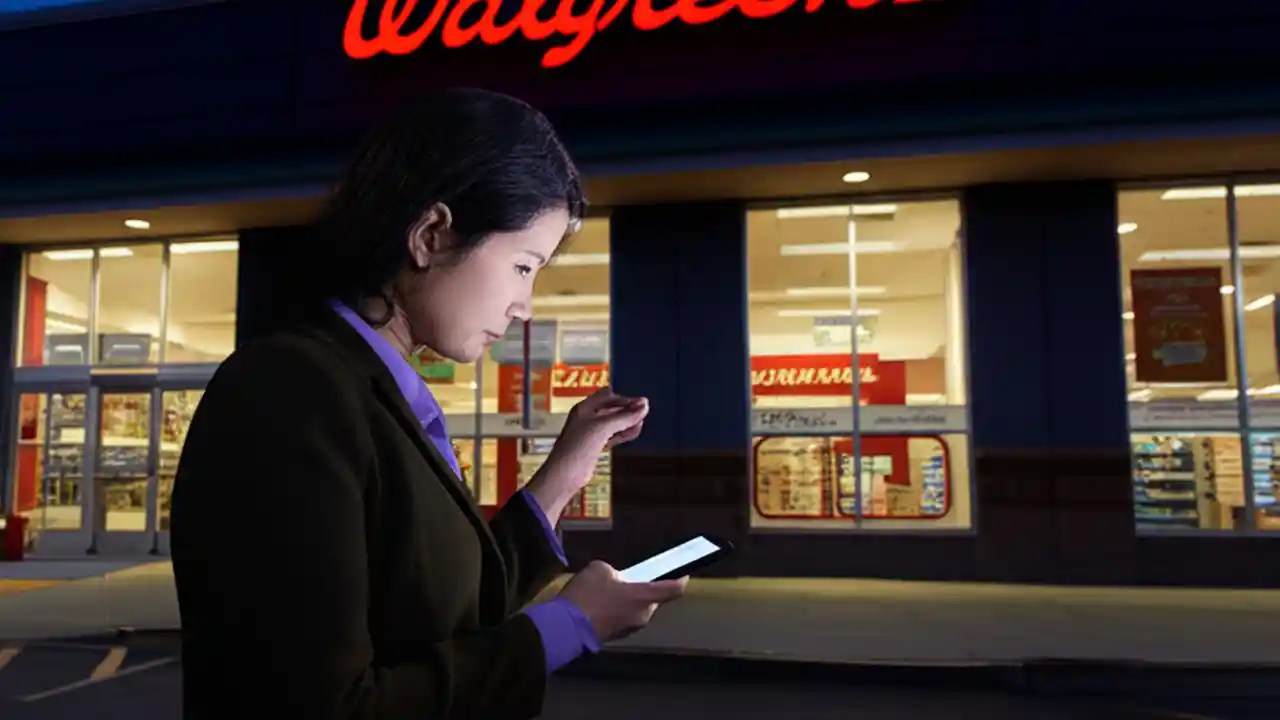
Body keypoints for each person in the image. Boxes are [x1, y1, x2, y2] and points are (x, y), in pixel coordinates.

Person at [169, 87, 689, 719]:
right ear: (432, 235)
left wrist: (562, 476)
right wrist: (569, 625)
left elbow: (447, 607)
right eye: (524, 266)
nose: (525, 305)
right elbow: (322, 704)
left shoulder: (380, 389)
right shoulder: (289, 392)